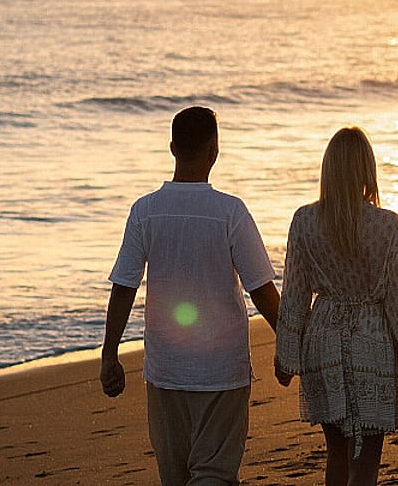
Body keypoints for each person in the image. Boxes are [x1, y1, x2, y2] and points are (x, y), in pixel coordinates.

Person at [100, 106, 281, 486]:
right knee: (214, 473)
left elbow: (124, 287)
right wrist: (294, 345)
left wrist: (110, 354)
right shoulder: (230, 211)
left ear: (172, 147)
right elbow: (261, 290)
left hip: (166, 370)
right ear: (214, 151)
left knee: (176, 476)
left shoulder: (145, 211)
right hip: (221, 372)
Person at [275, 127, 398, 486]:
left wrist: (286, 356)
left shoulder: (304, 221)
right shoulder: (386, 225)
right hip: (372, 339)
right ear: (367, 170)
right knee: (367, 456)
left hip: (323, 338)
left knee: (336, 452)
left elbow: (295, 295)